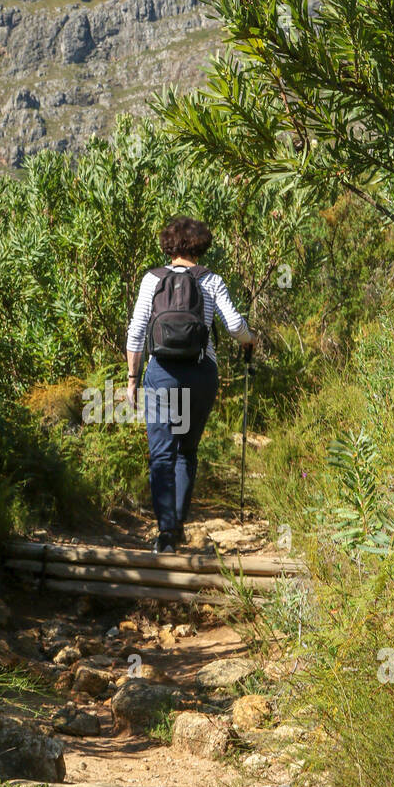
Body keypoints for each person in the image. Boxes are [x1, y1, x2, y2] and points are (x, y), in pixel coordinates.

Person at [125, 215, 254, 553]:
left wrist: (131, 379)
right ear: (200, 245)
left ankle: (166, 535)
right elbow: (234, 325)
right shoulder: (211, 280)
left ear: (168, 245)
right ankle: (177, 527)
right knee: (186, 451)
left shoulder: (152, 280)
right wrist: (249, 340)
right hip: (200, 374)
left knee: (161, 455)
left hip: (161, 373)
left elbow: (137, 332)